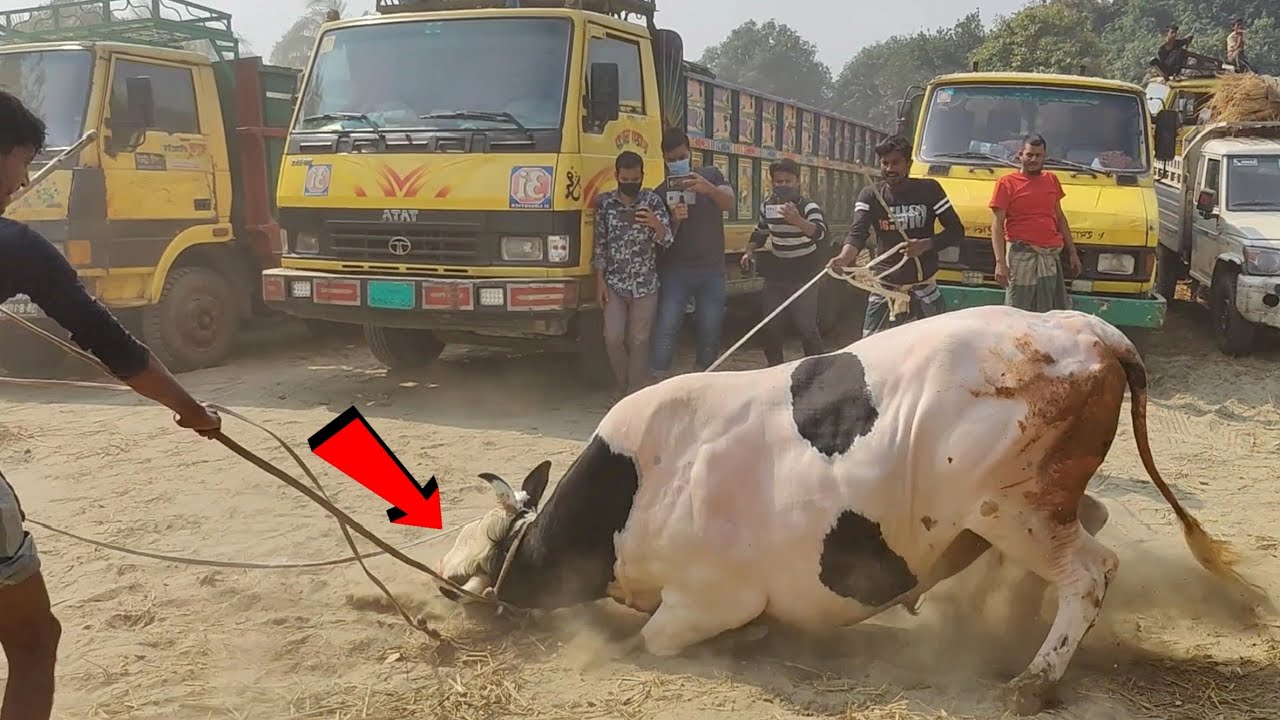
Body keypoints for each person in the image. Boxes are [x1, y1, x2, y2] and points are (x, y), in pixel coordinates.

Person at [0, 90, 222, 720]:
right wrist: (192, 410)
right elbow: (115, 347)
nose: (21, 183)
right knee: (34, 642)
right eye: (22, 162)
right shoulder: (15, 248)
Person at [829, 135, 964, 337]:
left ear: (908, 164)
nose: (890, 169)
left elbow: (956, 231)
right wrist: (843, 259)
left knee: (939, 346)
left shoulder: (930, 190)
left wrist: (925, 245)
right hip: (885, 287)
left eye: (896, 163)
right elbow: (858, 234)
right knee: (869, 347)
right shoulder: (870, 195)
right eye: (885, 163)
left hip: (923, 285)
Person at [650, 128, 735, 377]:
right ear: (664, 159)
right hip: (676, 272)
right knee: (666, 328)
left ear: (691, 153)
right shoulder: (660, 192)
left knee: (710, 330)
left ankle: (703, 380)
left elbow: (729, 203)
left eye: (681, 156)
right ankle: (658, 381)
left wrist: (707, 189)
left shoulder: (711, 175)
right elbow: (660, 239)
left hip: (711, 271)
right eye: (672, 159)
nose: (677, 163)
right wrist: (674, 220)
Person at [591, 151, 672, 397]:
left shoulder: (653, 201)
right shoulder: (605, 203)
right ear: (617, 176)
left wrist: (654, 223)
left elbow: (667, 239)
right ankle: (623, 383)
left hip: (645, 283)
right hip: (614, 283)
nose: (630, 183)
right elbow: (600, 244)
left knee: (639, 340)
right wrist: (599, 280)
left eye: (634, 178)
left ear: (642, 176)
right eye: (625, 179)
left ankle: (633, 393)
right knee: (612, 338)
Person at [742, 158, 828, 366]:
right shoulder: (768, 206)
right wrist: (749, 251)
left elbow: (821, 233)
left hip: (804, 272)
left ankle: (818, 369)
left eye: (787, 181)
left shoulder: (809, 207)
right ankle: (774, 369)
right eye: (778, 182)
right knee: (771, 324)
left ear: (797, 182)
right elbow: (760, 231)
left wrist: (797, 220)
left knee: (806, 326)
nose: (782, 186)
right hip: (778, 272)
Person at [989, 133, 1083, 313]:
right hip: (1021, 256)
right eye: (1029, 155)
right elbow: (997, 226)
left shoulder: (1051, 180)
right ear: (1020, 155)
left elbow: (1060, 218)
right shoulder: (1006, 183)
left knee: (1050, 314)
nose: (1033, 159)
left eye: (1038, 155)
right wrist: (1000, 262)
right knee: (1017, 313)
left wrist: (1073, 253)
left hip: (1049, 257)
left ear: (1044, 157)